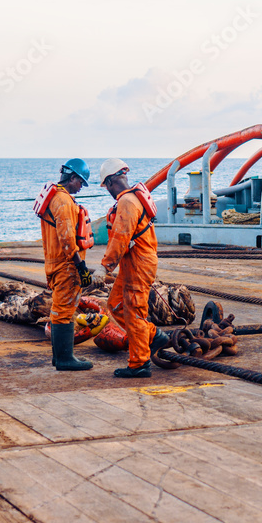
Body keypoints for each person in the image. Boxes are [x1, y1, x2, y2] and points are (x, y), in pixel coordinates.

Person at [93, 158, 169, 378]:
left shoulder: (127, 202)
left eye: (106, 186)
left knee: (134, 312)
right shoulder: (132, 198)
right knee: (115, 304)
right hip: (133, 263)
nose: (107, 190)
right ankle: (153, 336)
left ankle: (139, 364)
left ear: (109, 182)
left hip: (138, 264)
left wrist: (104, 268)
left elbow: (120, 238)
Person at [38, 158, 95, 370]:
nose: (81, 188)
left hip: (54, 262)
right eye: (80, 182)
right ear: (72, 178)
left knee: (59, 308)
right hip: (67, 265)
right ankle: (64, 359)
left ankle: (59, 357)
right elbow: (67, 240)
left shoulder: (53, 197)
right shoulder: (63, 201)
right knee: (64, 310)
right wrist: (81, 267)